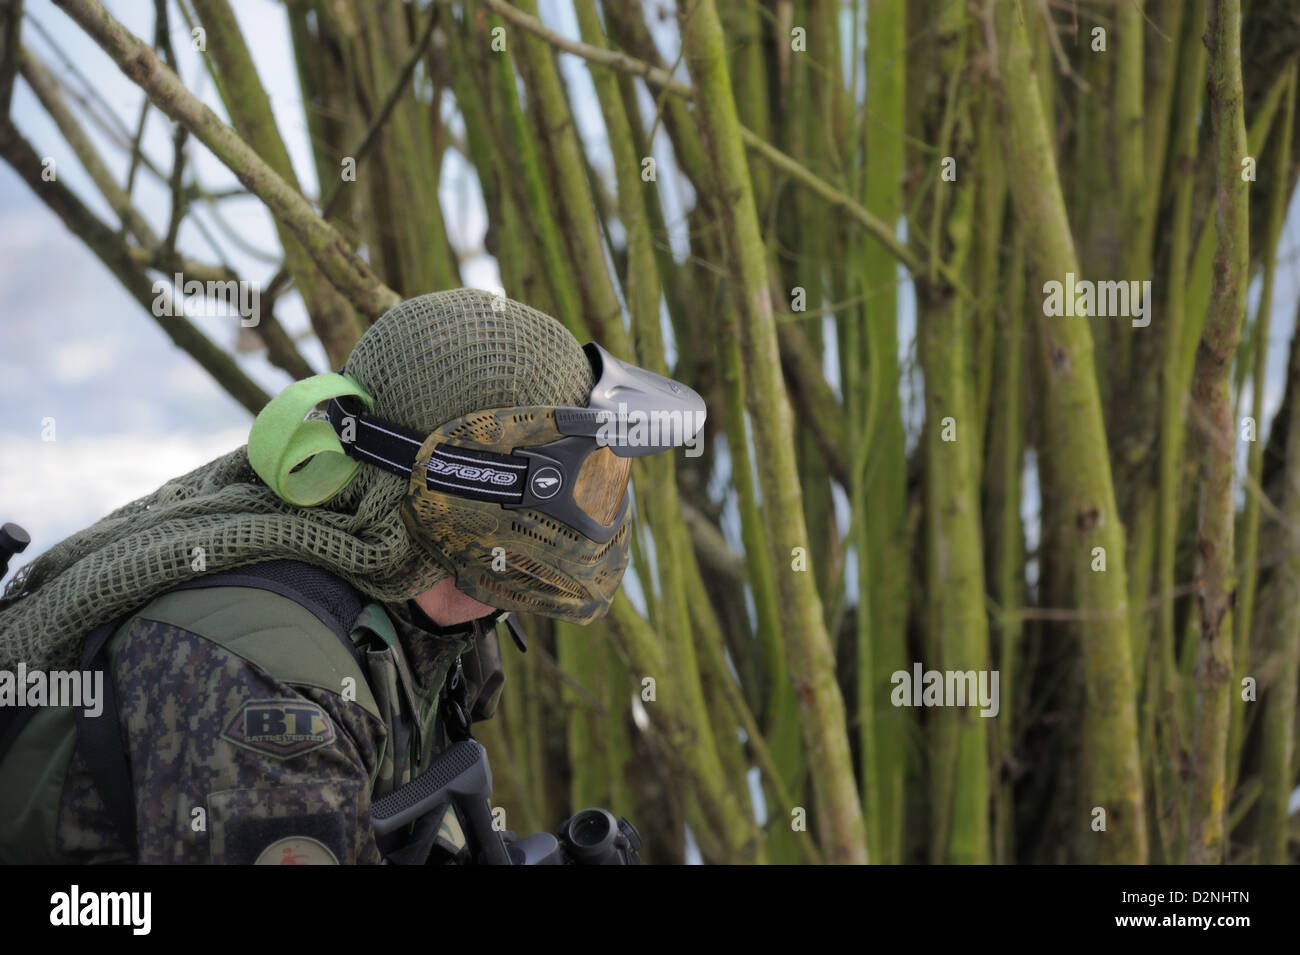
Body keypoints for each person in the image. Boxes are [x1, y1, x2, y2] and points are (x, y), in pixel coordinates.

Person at [0, 289, 703, 864]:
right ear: (478, 494)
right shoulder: (265, 695)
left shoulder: (422, 611)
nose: (602, 513)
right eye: (587, 483)